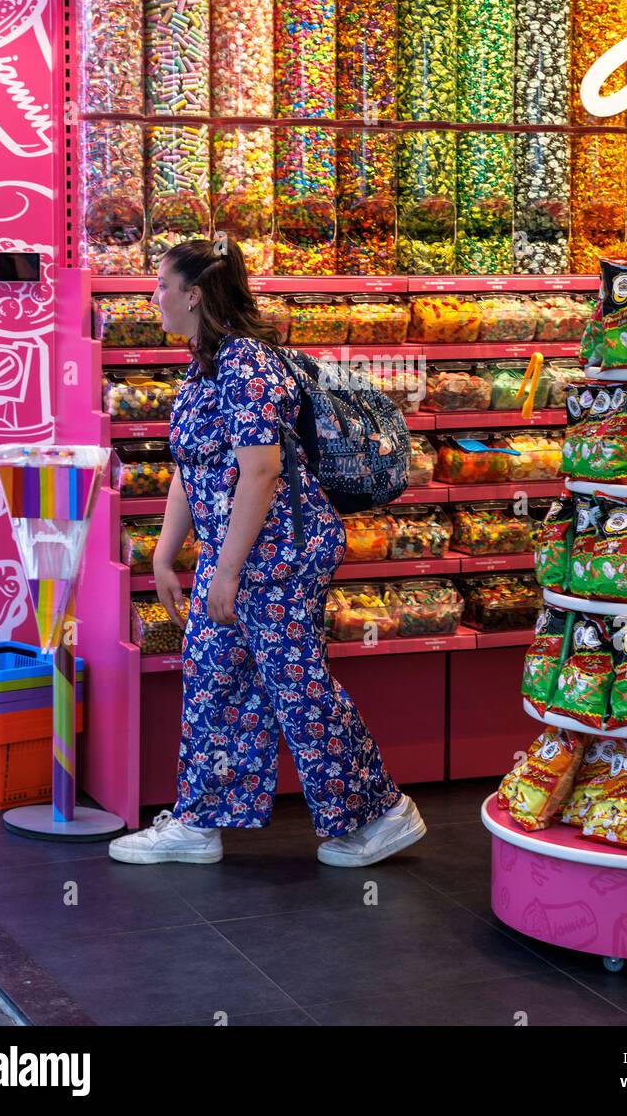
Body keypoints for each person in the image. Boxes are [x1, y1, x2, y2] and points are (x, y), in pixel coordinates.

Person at [109, 238, 426, 868]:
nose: (153, 299)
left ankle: (380, 812)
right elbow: (192, 467)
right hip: (237, 557)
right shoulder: (206, 365)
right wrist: (165, 556)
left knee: (296, 685)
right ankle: (199, 822)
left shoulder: (249, 364)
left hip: (279, 556)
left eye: (161, 287)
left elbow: (260, 474)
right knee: (214, 681)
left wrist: (224, 571)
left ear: (194, 296)